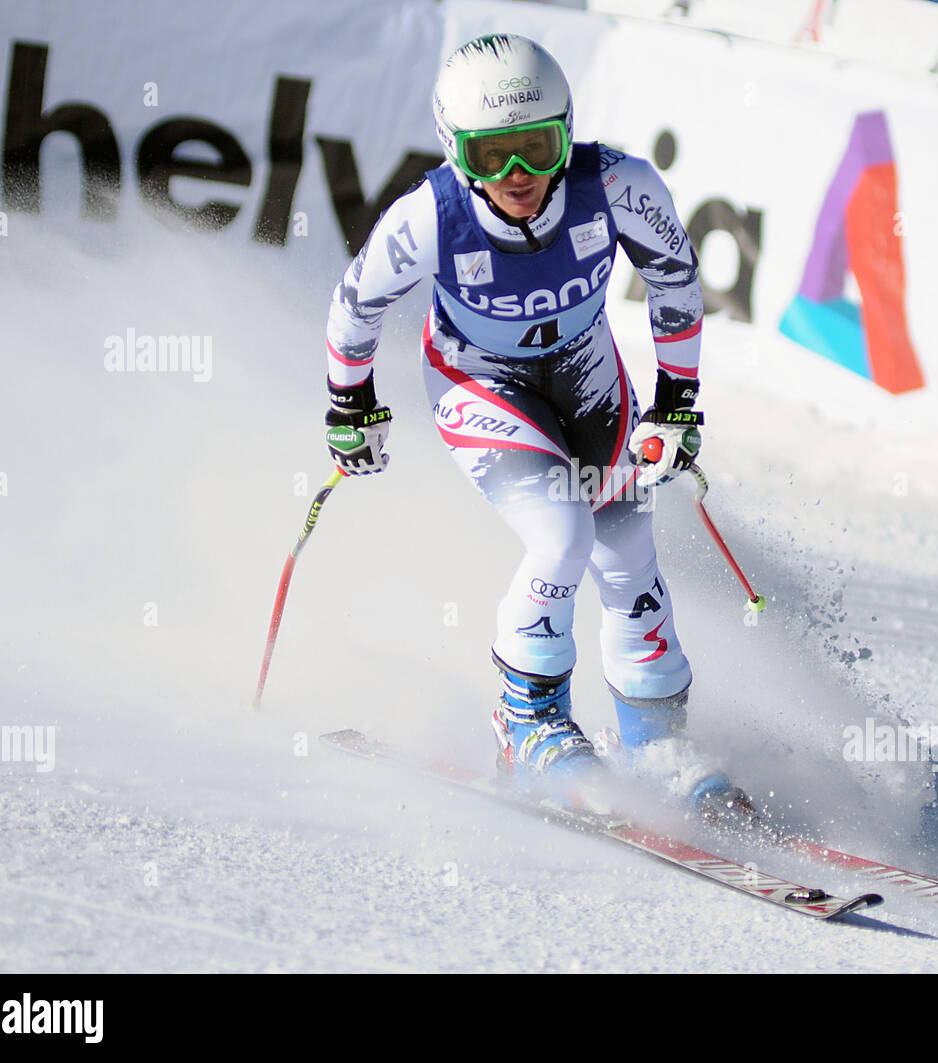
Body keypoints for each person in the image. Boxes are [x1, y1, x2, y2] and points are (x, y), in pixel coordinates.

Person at [322, 34, 751, 819]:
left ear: (568, 131)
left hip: (587, 374)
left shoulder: (617, 183)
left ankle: (654, 740)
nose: (518, 175)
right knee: (561, 535)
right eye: (491, 157)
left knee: (626, 548)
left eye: (538, 147)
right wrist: (350, 406)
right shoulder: (428, 216)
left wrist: (678, 401)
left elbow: (674, 276)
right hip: (479, 383)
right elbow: (358, 303)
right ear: (456, 153)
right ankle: (528, 722)